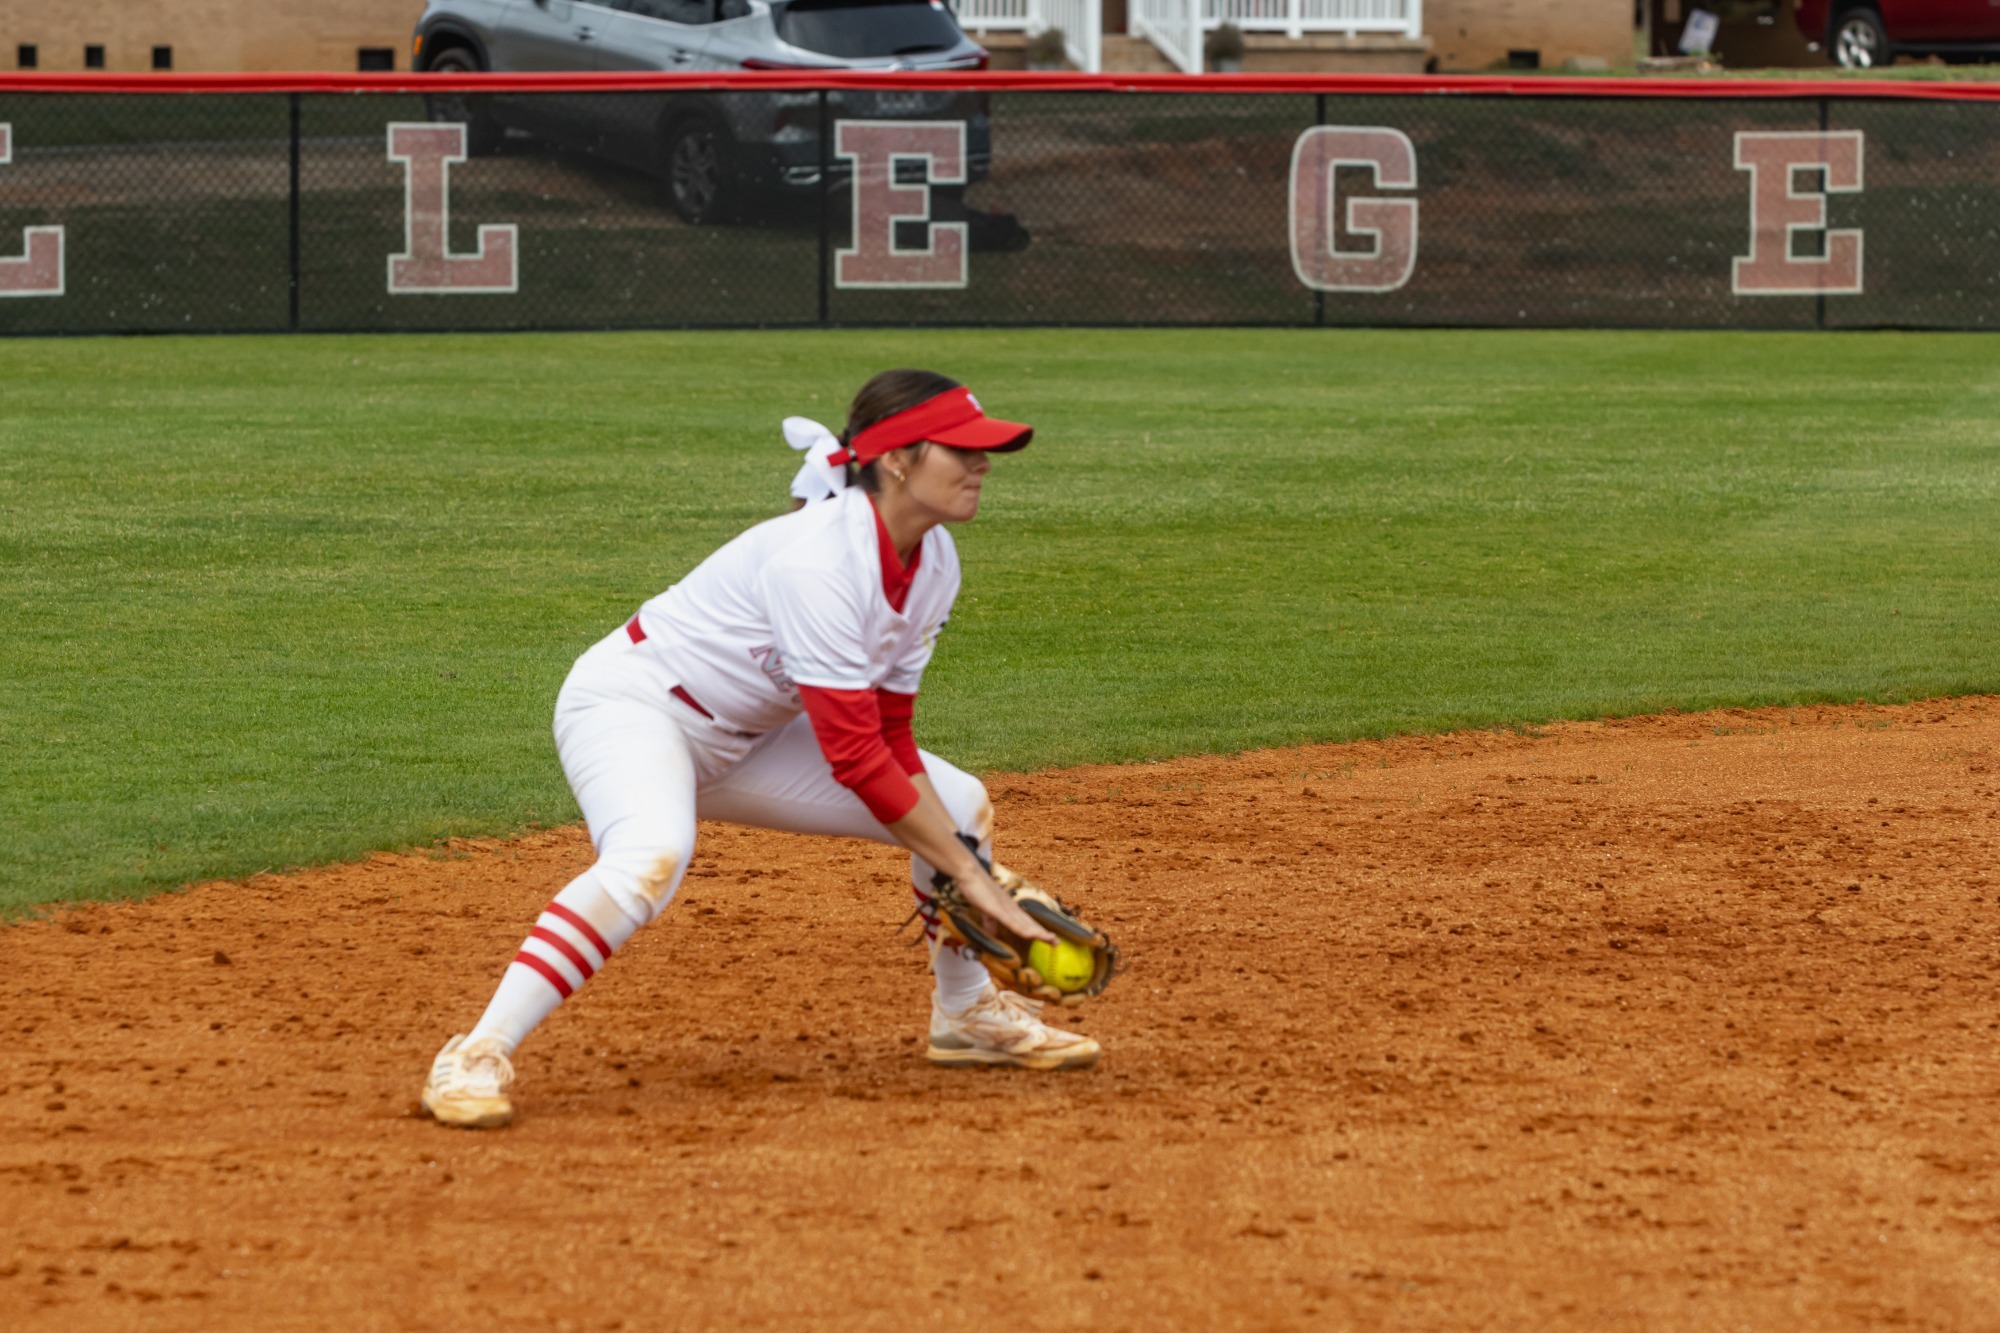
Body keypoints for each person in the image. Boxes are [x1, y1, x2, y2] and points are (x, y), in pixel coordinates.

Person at [422, 369, 1100, 1129]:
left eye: (986, 452)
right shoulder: (817, 562)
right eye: (963, 450)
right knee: (652, 853)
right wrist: (975, 883)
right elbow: (854, 756)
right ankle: (478, 1049)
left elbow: (890, 734)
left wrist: (964, 858)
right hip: (636, 708)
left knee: (962, 804)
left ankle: (967, 1012)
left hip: (750, 738)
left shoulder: (934, 561)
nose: (983, 465)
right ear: (898, 461)